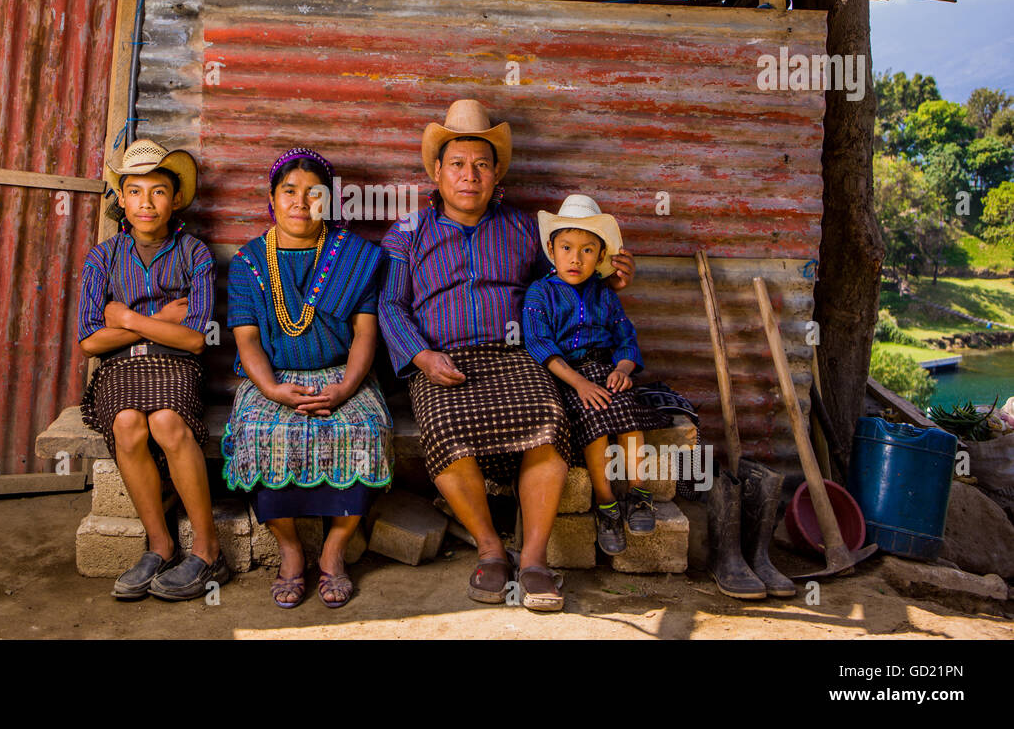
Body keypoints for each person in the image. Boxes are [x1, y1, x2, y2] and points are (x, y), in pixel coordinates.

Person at [379, 100, 637, 612]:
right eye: (457, 164)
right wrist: (422, 357)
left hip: (520, 356)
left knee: (550, 418)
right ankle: (491, 549)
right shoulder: (407, 232)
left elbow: (571, 273)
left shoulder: (525, 230)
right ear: (436, 171)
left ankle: (535, 560)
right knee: (444, 428)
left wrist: (610, 274)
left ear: (497, 173)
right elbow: (390, 303)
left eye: (481, 164)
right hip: (442, 359)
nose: (468, 175)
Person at [222, 148, 392, 609]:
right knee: (260, 430)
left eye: (314, 194)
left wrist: (346, 388)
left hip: (343, 374)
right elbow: (248, 341)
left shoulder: (353, 258)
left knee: (364, 429)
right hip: (272, 378)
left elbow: (364, 334)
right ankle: (292, 551)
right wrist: (272, 389)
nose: (301, 202)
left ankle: (335, 553)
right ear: (272, 200)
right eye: (289, 192)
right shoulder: (249, 263)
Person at [76, 138, 229, 602]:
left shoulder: (195, 254)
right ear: (122, 199)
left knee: (166, 420)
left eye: (158, 191)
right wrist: (163, 320)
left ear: (175, 198)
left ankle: (207, 550)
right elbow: (89, 342)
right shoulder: (102, 257)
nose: (147, 202)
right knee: (127, 423)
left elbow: (196, 339)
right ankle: (161, 545)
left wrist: (124, 318)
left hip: (177, 366)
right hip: (119, 369)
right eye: (136, 191)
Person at [524, 195, 672, 557]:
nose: (576, 259)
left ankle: (639, 495)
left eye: (588, 250)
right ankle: (606, 504)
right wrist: (579, 383)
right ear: (550, 249)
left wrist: (623, 369)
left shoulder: (604, 296)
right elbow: (539, 344)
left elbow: (625, 337)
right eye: (567, 248)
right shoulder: (540, 293)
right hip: (569, 377)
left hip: (605, 370)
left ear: (601, 256)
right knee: (595, 424)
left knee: (626, 415)